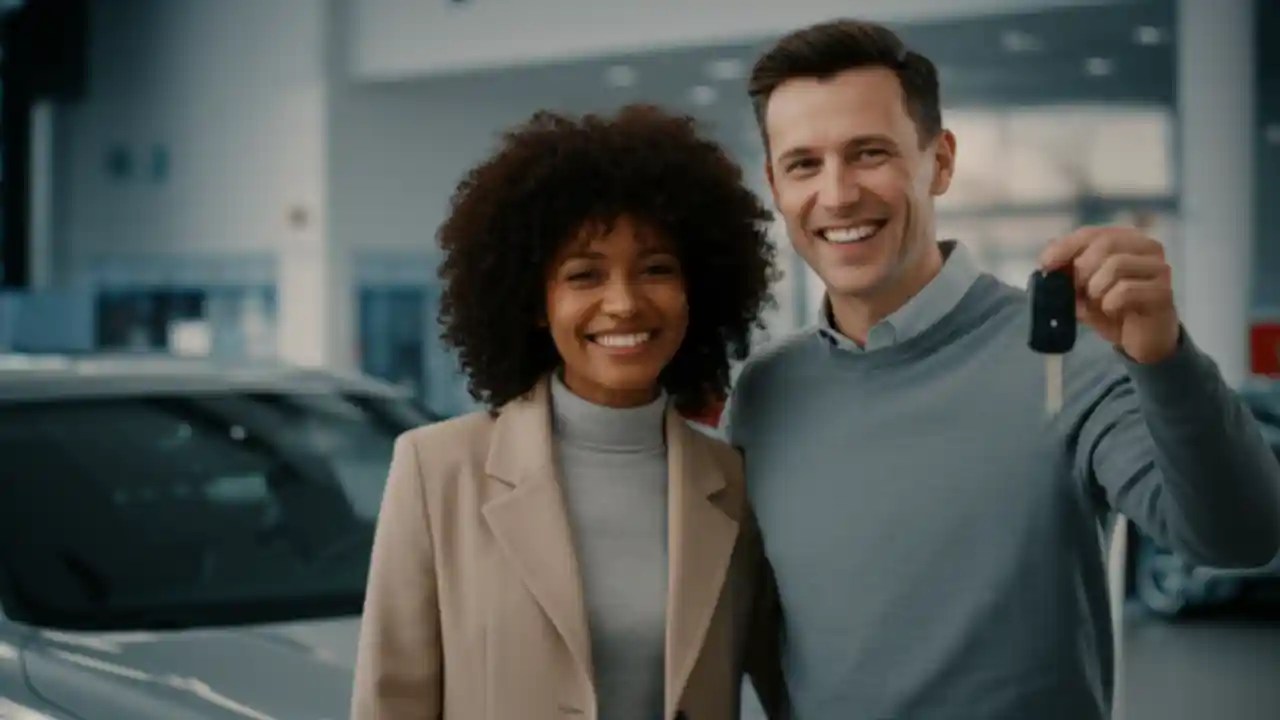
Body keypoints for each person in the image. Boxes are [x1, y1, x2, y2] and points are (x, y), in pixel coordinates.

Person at [722, 17, 1280, 720]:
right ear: (774, 183)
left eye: (869, 153)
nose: (836, 195)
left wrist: (1165, 359)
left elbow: (1240, 536)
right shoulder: (766, 391)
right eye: (804, 164)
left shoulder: (1072, 356)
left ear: (941, 160)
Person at [351, 104, 788, 720]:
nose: (624, 303)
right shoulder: (435, 470)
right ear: (534, 302)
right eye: (585, 275)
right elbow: (389, 704)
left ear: (699, 291)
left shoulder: (734, 484)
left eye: (656, 270)